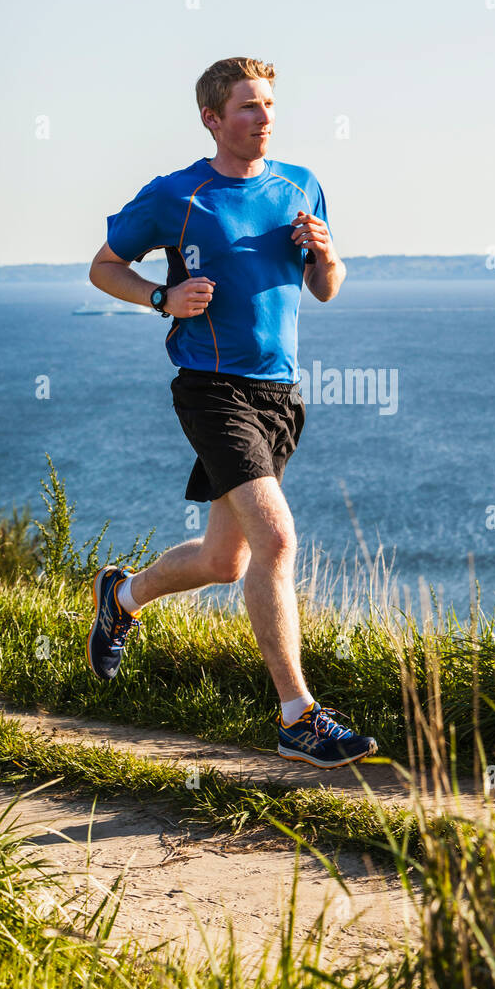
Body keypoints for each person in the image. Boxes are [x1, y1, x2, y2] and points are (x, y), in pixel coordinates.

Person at [85, 56, 377, 768]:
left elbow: (325, 289)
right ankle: (297, 717)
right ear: (213, 119)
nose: (264, 117)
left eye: (270, 104)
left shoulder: (301, 185)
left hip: (280, 394)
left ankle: (122, 597)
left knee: (226, 559)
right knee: (277, 540)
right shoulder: (177, 195)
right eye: (247, 107)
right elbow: (103, 265)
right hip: (211, 388)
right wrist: (161, 297)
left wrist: (328, 257)